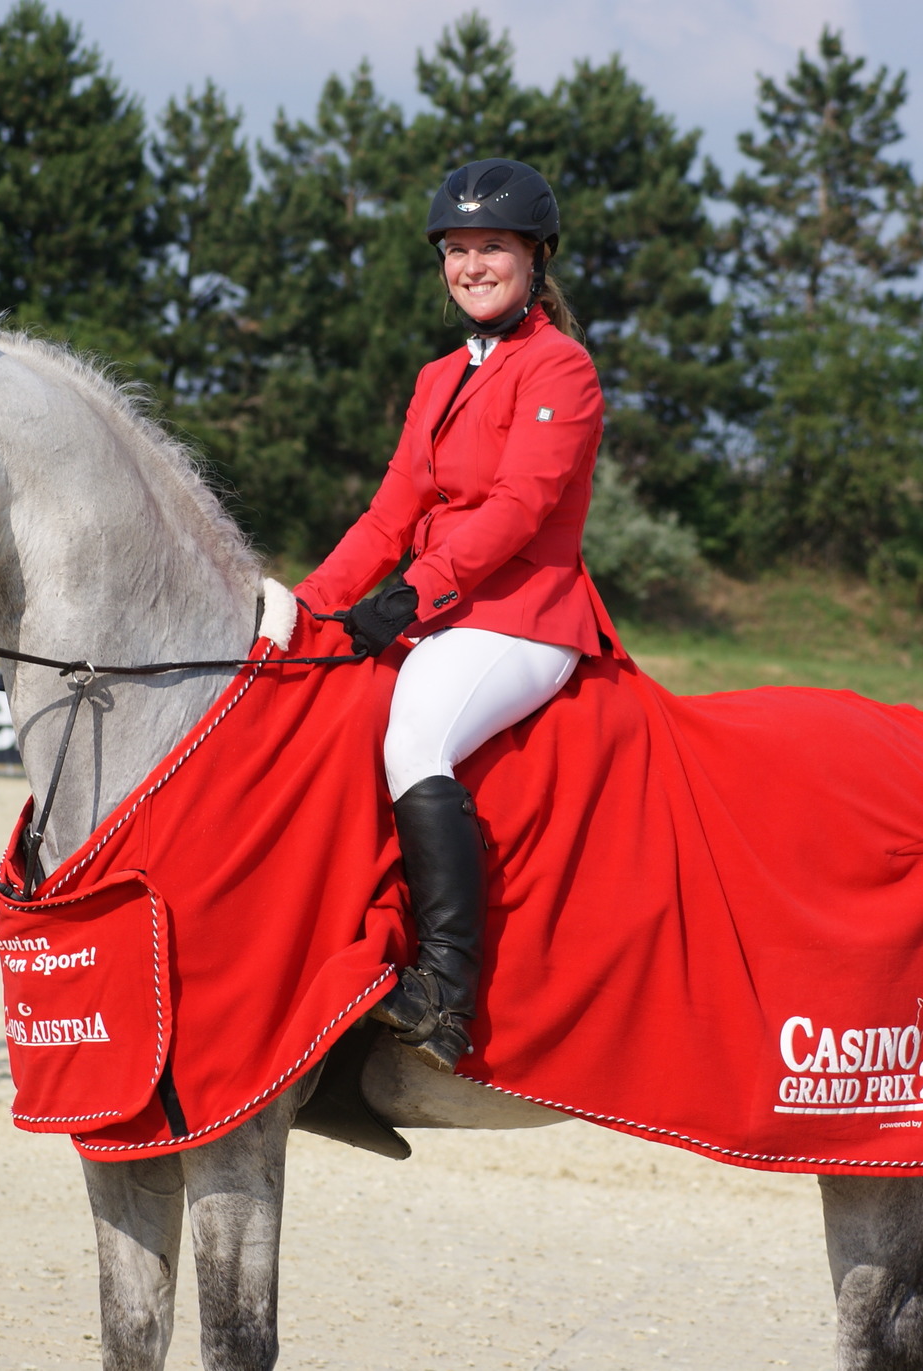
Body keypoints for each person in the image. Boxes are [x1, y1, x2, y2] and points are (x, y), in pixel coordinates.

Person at [294, 159, 609, 1072]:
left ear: (536, 259)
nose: (472, 265)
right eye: (458, 249)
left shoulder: (562, 368)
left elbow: (519, 509)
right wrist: (306, 609)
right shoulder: (439, 377)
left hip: (524, 618)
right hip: (449, 608)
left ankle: (442, 993)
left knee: (414, 738)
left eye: (493, 249)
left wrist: (409, 596)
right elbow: (388, 513)